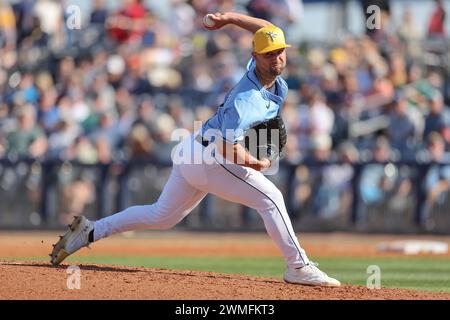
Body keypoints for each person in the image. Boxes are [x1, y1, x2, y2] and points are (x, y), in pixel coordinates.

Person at [50, 12, 340, 287]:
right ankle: (298, 266)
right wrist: (257, 164)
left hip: (193, 150)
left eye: (280, 51)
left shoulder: (266, 75)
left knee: (161, 216)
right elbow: (226, 148)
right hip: (212, 157)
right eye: (269, 54)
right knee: (272, 198)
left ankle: (91, 231)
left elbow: (266, 29)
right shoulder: (246, 100)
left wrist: (230, 18)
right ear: (255, 57)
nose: (276, 57)